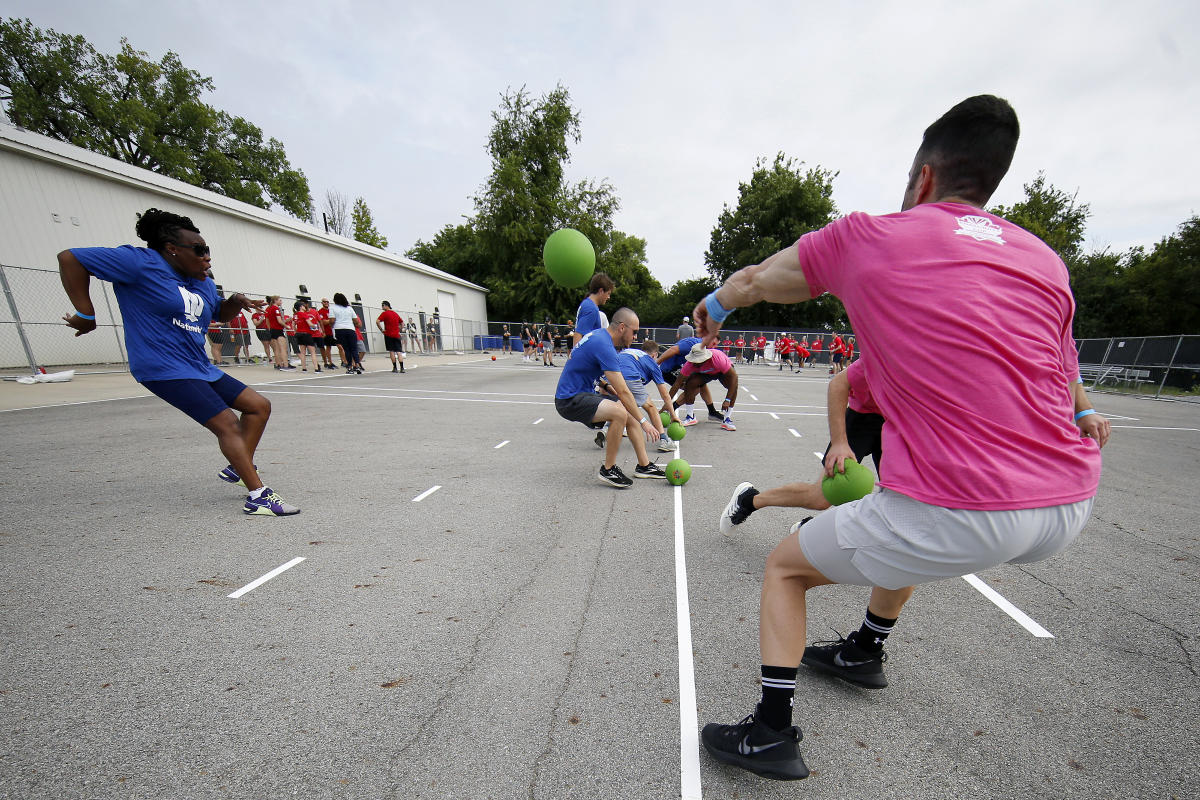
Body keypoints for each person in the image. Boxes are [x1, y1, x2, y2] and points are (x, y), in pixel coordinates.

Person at [693, 95, 1103, 781]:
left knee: (787, 567)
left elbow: (758, 279)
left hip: (962, 507)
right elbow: (1066, 377)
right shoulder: (1047, 263)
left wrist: (715, 305)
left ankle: (770, 733)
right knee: (900, 530)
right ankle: (864, 651)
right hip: (1067, 503)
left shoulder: (871, 236)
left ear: (922, 181)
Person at [721, 362, 1111, 691]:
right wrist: (839, 441)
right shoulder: (909, 338)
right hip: (865, 415)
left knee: (905, 525)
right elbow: (840, 382)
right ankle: (751, 499)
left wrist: (1083, 411)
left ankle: (865, 651)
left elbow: (1066, 366)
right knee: (825, 496)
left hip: (905, 424)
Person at [58, 207, 299, 516]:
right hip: (161, 366)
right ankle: (258, 496)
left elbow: (217, 314)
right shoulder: (140, 263)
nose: (207, 257)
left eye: (208, 250)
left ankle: (238, 467)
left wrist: (235, 302)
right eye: (199, 251)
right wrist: (86, 313)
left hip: (198, 367)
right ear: (172, 250)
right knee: (226, 422)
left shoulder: (202, 281)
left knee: (258, 406)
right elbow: (71, 258)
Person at [554, 307, 666, 487]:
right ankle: (608, 469)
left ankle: (644, 466)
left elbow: (587, 369)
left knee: (628, 414)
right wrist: (645, 421)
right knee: (620, 413)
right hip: (570, 400)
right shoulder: (604, 345)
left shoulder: (600, 337)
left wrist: (607, 387)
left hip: (582, 393)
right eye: (634, 332)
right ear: (622, 327)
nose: (636, 337)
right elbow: (624, 391)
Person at [610, 339, 680, 453]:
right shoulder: (652, 363)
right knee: (650, 407)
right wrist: (673, 415)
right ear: (655, 355)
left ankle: (605, 428)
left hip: (611, 375)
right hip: (629, 376)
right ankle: (664, 440)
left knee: (623, 403)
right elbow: (665, 395)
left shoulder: (631, 352)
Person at [655, 336, 724, 424]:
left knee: (700, 382)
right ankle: (670, 408)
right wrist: (655, 364)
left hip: (678, 367)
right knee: (695, 387)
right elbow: (673, 350)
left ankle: (712, 411)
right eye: (713, 344)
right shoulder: (692, 343)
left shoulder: (703, 350)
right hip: (669, 370)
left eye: (716, 345)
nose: (714, 347)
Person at [672, 343, 739, 431]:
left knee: (733, 386)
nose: (695, 363)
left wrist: (727, 400)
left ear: (705, 359)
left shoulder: (718, 360)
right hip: (705, 373)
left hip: (721, 372)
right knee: (690, 383)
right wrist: (667, 403)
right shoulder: (690, 364)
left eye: (697, 361)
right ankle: (690, 416)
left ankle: (726, 419)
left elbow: (734, 377)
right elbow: (677, 384)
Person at [572, 273, 615, 348]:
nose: (608, 297)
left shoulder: (586, 303)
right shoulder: (591, 308)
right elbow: (578, 335)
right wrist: (576, 358)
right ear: (601, 291)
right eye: (608, 293)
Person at [330, 293, 363, 374]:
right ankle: (357, 366)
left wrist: (332, 326)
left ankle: (350, 367)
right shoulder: (349, 308)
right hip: (350, 329)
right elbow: (356, 320)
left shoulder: (333, 308)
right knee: (354, 349)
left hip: (339, 329)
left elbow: (332, 320)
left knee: (346, 349)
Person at [264, 295, 292, 371]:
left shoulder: (268, 309)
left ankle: (278, 364)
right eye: (280, 300)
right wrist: (286, 325)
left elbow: (267, 321)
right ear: (275, 301)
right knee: (283, 348)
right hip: (278, 330)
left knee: (276, 349)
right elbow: (279, 321)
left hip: (272, 330)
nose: (281, 302)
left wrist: (270, 329)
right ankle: (285, 365)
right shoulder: (276, 308)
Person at [377, 300, 406, 373]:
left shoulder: (384, 313)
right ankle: (402, 368)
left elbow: (377, 321)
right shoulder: (395, 314)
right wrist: (399, 329)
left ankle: (395, 367)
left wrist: (382, 330)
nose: (382, 307)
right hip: (396, 334)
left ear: (387, 305)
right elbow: (402, 323)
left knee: (392, 351)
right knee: (399, 351)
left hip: (388, 334)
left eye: (383, 305)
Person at [292, 300, 321, 372]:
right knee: (312, 352)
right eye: (303, 306)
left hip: (299, 334)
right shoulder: (304, 314)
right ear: (301, 307)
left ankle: (304, 368)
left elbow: (293, 324)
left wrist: (296, 331)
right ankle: (316, 368)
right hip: (307, 334)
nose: (305, 307)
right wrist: (315, 326)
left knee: (302, 352)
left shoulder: (295, 315)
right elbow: (310, 324)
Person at [317, 298, 338, 370]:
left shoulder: (331, 310)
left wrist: (330, 321)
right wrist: (331, 321)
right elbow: (323, 322)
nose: (326, 303)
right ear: (322, 303)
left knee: (337, 346)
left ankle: (332, 362)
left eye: (327, 302)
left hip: (332, 331)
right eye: (324, 302)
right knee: (326, 347)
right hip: (325, 332)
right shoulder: (320, 311)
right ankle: (328, 362)